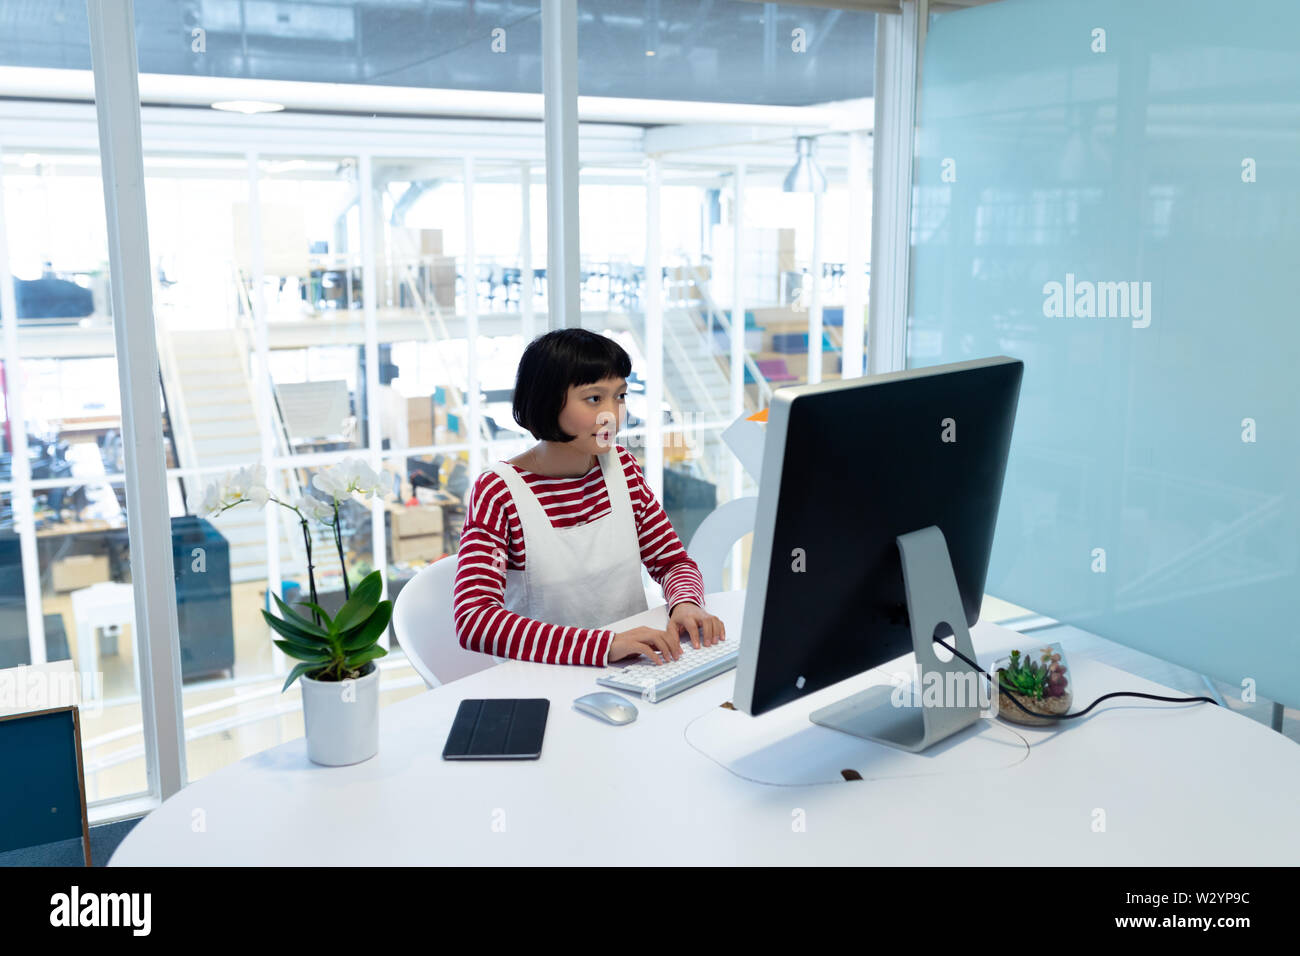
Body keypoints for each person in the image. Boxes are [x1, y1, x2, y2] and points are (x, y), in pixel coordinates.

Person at [453, 329, 726, 666]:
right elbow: (475, 619)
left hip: (634, 667)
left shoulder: (623, 468)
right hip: (544, 678)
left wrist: (685, 603)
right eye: (594, 399)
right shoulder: (498, 492)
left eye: (621, 396)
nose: (613, 414)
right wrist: (605, 645)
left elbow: (672, 563)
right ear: (547, 400)